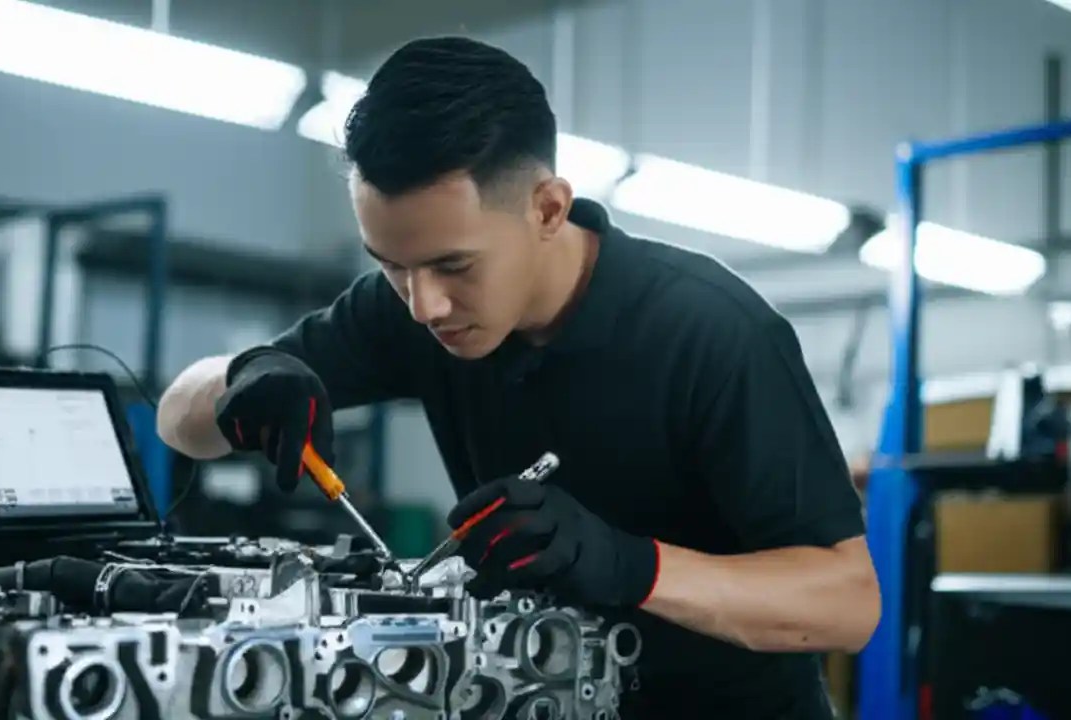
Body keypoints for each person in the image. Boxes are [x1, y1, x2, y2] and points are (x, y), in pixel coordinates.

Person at [157, 35, 880, 719]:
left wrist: (632, 567)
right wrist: (248, 379)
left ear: (548, 208)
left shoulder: (713, 334)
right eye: (390, 263)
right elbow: (175, 417)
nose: (424, 303)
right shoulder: (406, 306)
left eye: (454, 265)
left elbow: (847, 604)